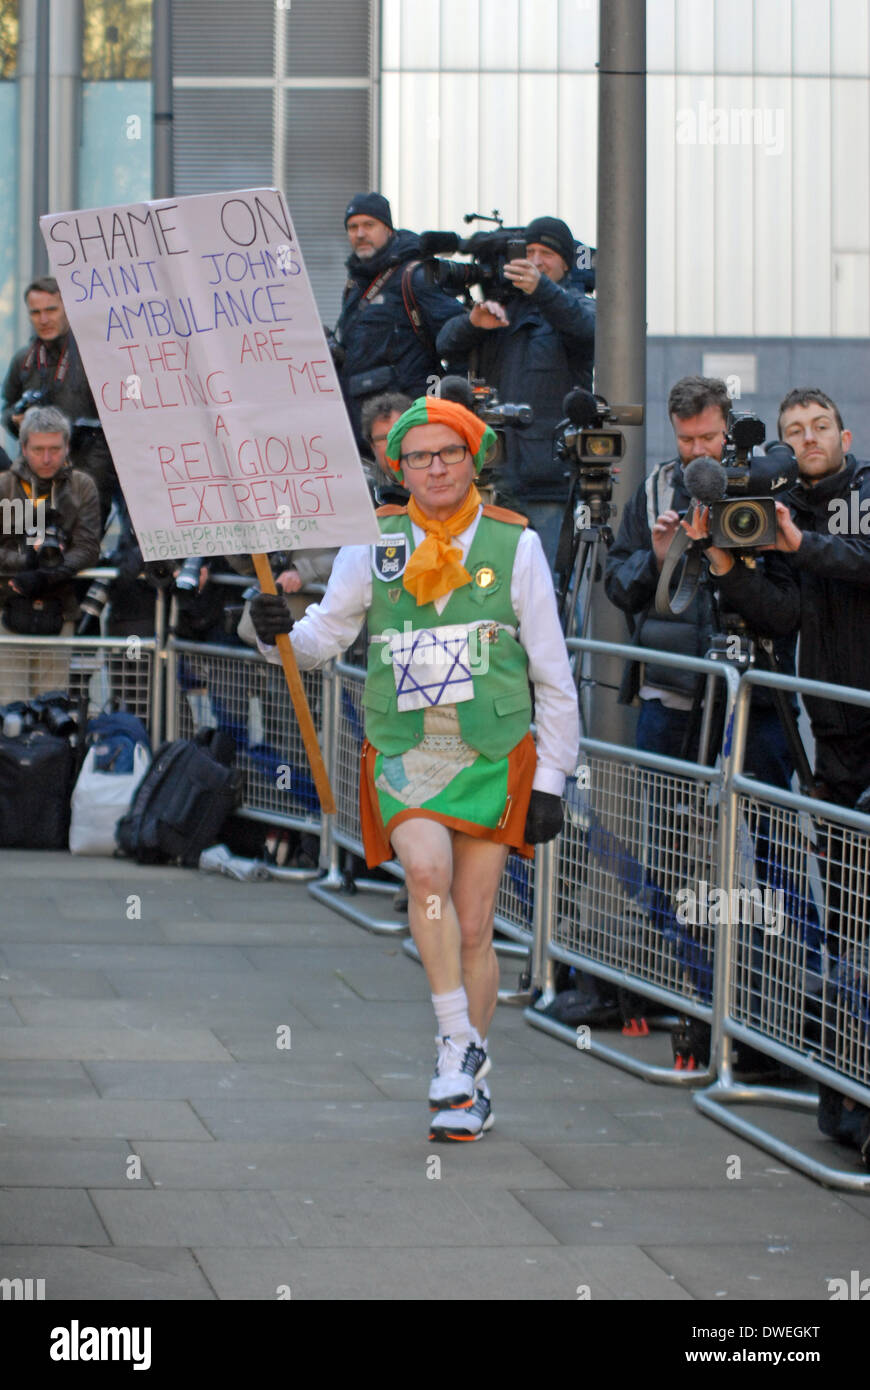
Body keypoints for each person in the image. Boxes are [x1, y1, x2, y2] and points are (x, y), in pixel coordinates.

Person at [250, 396, 579, 1141]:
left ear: (474, 460)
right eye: (420, 457)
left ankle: (472, 1068)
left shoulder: (516, 545)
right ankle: (452, 1044)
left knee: (473, 925)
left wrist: (554, 780)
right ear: (399, 467)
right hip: (404, 752)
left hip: (493, 757)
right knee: (424, 876)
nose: (435, 468)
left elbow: (554, 674)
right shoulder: (372, 543)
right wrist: (270, 629)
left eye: (449, 454)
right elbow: (324, 636)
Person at [436, 215, 595, 567]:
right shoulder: (502, 308)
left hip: (551, 482)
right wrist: (472, 323)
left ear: (566, 262)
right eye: (530, 251)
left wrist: (541, 288)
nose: (536, 260)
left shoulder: (576, 305)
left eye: (546, 254)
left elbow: (588, 329)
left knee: (552, 584)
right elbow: (445, 343)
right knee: (492, 584)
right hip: (495, 478)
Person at [333, 194, 465, 449]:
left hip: (410, 423)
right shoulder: (355, 284)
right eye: (353, 227)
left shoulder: (413, 276)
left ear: (388, 229)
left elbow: (457, 336)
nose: (360, 233)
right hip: (366, 427)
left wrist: (449, 405)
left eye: (368, 225)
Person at [0, 405, 101, 702]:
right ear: (23, 447)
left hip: (60, 610)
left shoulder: (82, 487)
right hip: (6, 607)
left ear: (67, 446)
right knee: (10, 711)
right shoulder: (4, 487)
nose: (47, 458)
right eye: (39, 449)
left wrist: (47, 573)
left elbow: (88, 547)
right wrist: (25, 562)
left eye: (55, 449)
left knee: (52, 708)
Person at [2, 277, 116, 526]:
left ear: (68, 308)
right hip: (41, 470)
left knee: (81, 541)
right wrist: (15, 420)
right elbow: (7, 407)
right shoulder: (24, 359)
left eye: (51, 310)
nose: (43, 320)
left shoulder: (94, 355)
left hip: (91, 465)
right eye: (36, 312)